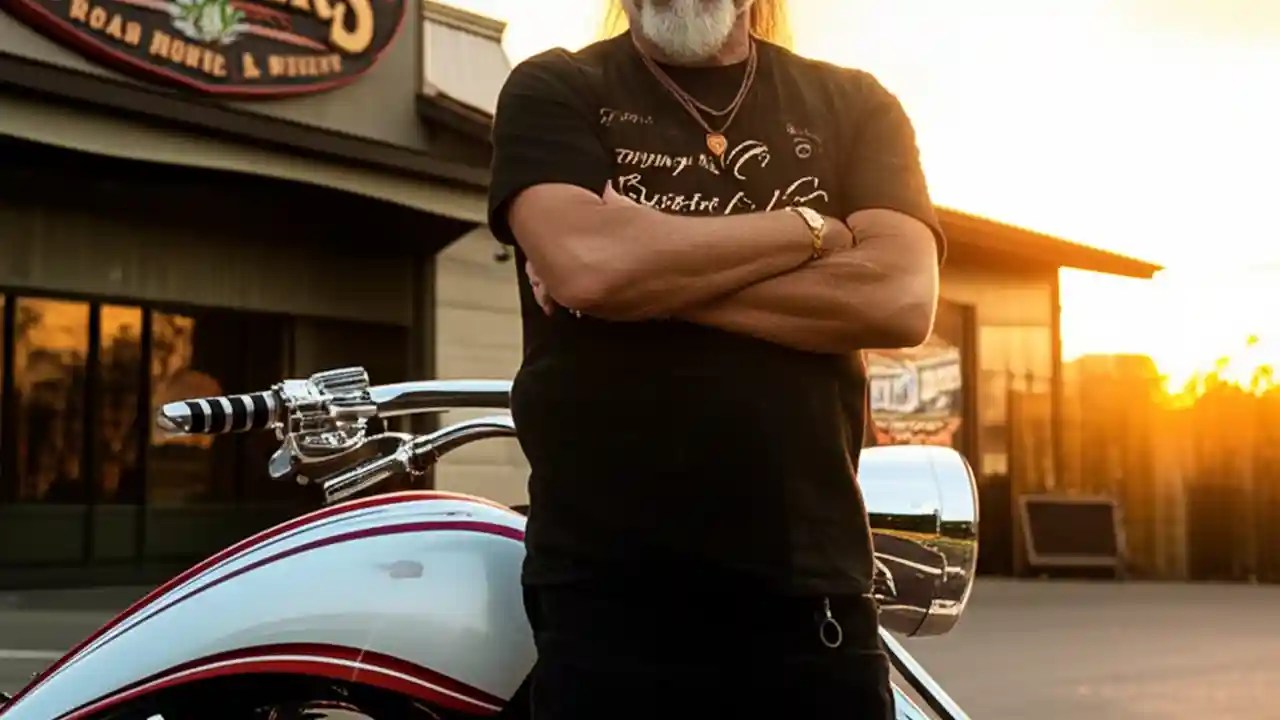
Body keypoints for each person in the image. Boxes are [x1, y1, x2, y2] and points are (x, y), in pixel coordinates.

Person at [487, 0, 945, 717]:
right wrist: (811, 230)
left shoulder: (853, 103)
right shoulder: (556, 89)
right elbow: (588, 265)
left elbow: (897, 300)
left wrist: (642, 272)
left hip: (810, 600)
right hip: (608, 599)